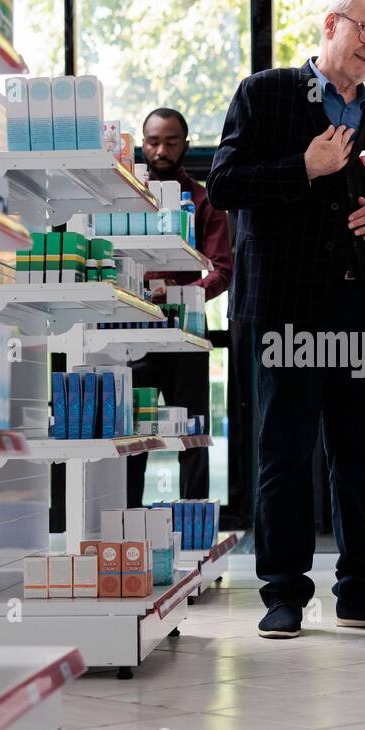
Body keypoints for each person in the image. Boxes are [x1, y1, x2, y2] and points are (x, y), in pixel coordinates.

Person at [207, 0, 365, 639]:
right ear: (331, 25)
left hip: (361, 309)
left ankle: (361, 589)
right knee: (284, 450)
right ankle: (282, 592)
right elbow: (223, 183)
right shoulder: (266, 94)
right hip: (288, 313)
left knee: (357, 454)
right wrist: (302, 167)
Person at [126, 107, 233, 505]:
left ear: (185, 144)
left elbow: (222, 270)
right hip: (133, 331)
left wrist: (181, 296)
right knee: (131, 438)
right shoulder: (127, 195)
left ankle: (194, 532)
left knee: (191, 437)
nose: (161, 150)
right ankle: (126, 525)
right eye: (153, 141)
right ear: (142, 142)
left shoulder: (206, 200)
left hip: (186, 332)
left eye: (171, 141)